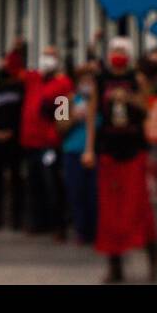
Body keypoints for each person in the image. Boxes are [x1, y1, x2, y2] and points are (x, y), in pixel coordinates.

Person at [84, 37, 157, 283]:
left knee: (140, 207)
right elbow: (91, 113)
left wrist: (128, 98)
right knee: (110, 211)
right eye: (114, 50)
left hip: (134, 148)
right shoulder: (100, 79)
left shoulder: (136, 78)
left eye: (122, 50)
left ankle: (153, 264)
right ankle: (114, 265)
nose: (118, 54)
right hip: (108, 149)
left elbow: (148, 108)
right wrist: (89, 149)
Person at [20, 44, 73, 236]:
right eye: (45, 55)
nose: (47, 58)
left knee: (52, 184)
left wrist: (57, 133)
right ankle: (37, 222)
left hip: (49, 142)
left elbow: (64, 113)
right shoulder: (35, 80)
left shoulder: (63, 83)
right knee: (34, 184)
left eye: (51, 55)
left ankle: (58, 223)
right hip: (30, 141)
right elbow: (14, 69)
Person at [59, 62, 98, 244]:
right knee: (76, 193)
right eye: (84, 80)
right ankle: (81, 230)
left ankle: (95, 230)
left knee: (94, 194)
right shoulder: (65, 99)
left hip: (95, 152)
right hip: (72, 152)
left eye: (90, 80)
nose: (87, 84)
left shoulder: (99, 101)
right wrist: (73, 117)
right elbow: (58, 126)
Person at [0, 52, 25, 230]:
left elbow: (22, 114)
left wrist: (12, 131)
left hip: (14, 140)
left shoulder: (20, 88)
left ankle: (17, 218)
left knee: (16, 180)